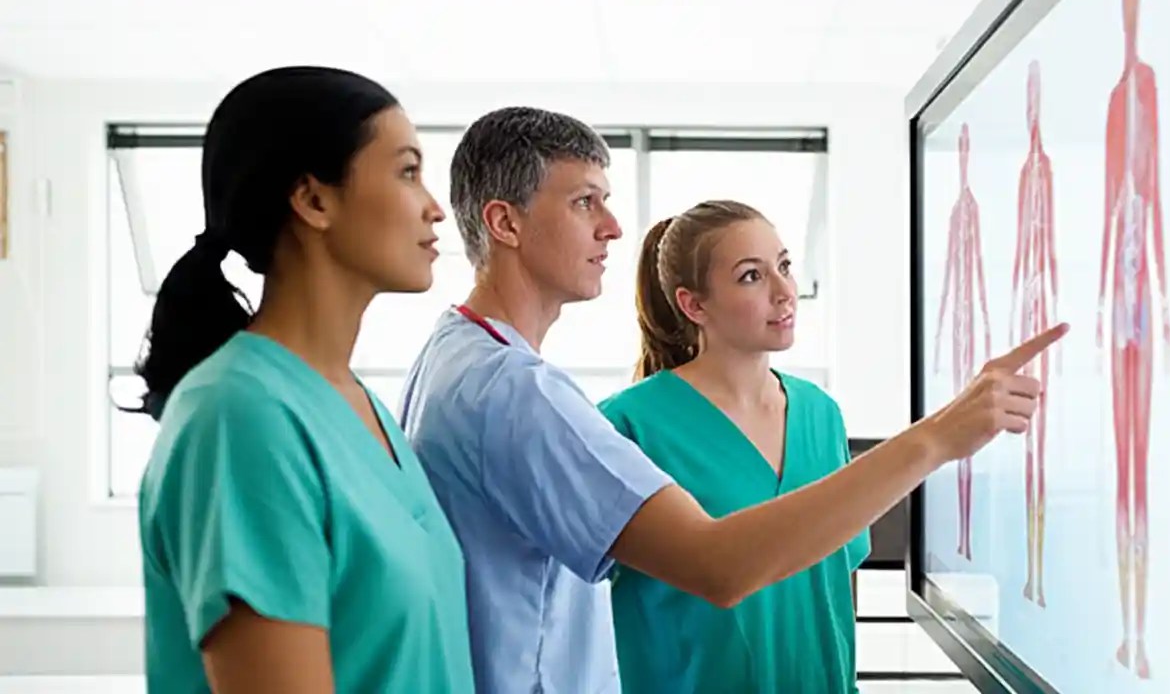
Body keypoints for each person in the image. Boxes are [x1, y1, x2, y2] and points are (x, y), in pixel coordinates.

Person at [398, 105, 1068, 694]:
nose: (611, 227)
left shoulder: (455, 357)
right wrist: (936, 438)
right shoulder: (524, 393)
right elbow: (717, 565)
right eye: (584, 203)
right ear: (504, 223)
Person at [133, 66, 475, 694]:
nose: (435, 209)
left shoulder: (360, 408)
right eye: (407, 171)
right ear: (314, 199)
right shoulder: (240, 415)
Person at [598, 200, 870, 693]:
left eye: (784, 266)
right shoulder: (627, 425)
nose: (785, 292)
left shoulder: (821, 415)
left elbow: (838, 585)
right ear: (694, 305)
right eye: (751, 277)